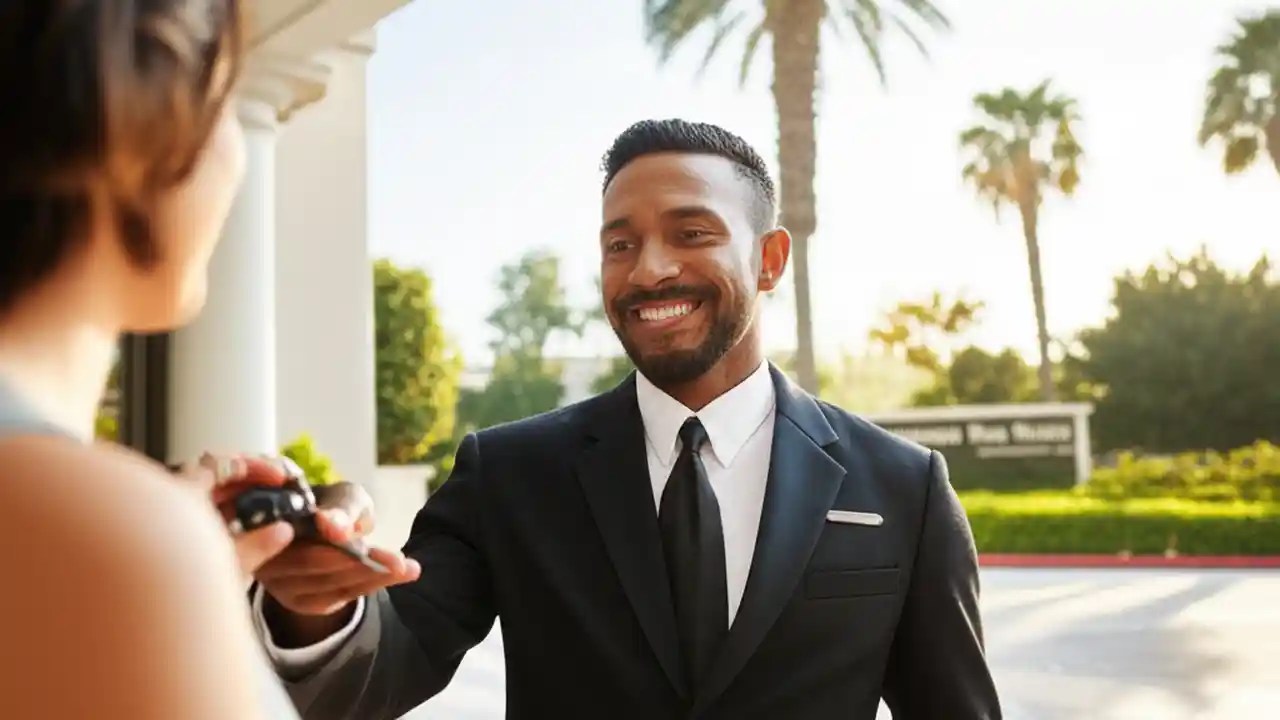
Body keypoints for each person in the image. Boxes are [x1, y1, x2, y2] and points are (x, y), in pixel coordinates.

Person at [253, 119, 1002, 719]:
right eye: (620, 243)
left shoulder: (903, 487)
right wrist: (312, 611)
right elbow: (387, 665)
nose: (648, 269)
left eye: (691, 233)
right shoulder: (507, 474)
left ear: (770, 259)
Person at [0, 2, 362, 717]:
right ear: (133, 118)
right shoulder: (103, 542)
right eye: (226, 98)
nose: (237, 155)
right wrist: (153, 556)